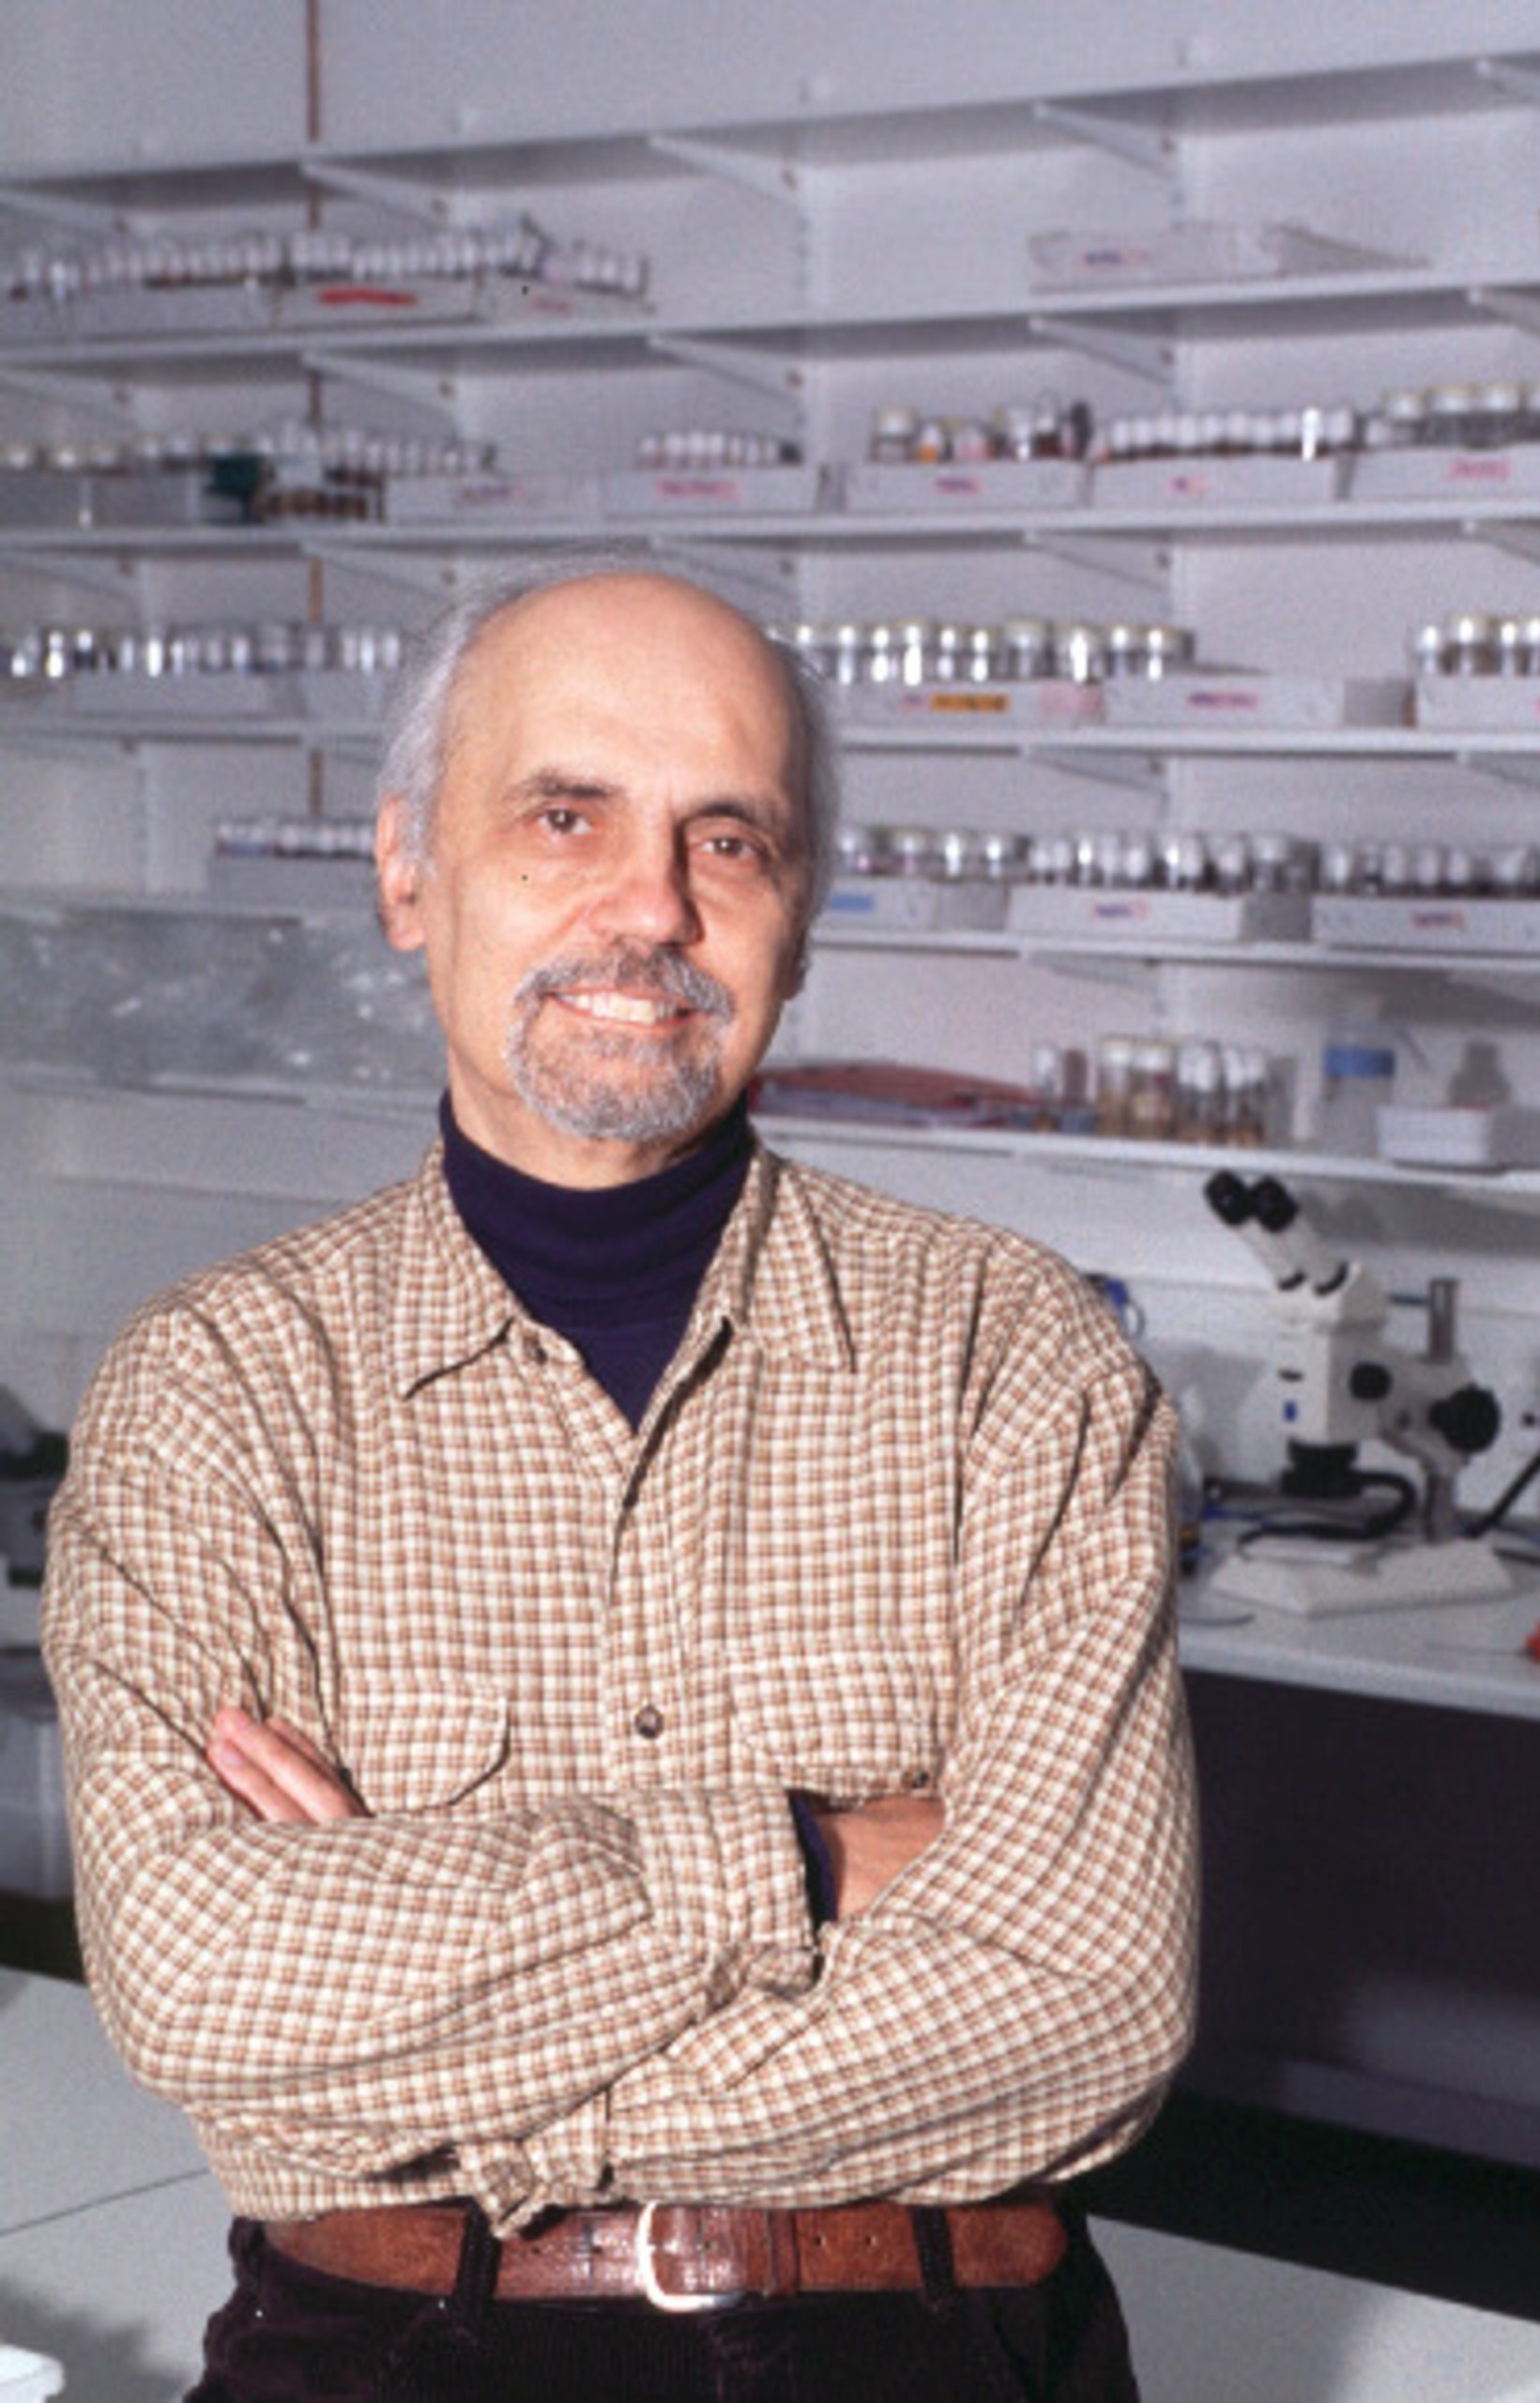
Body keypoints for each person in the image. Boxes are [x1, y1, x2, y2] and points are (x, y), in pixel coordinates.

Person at [42, 560, 1199, 2401]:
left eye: (726, 840)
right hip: (381, 2344)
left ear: (797, 918)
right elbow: (197, 1981)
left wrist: (409, 1982)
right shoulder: (217, 1385)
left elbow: (1090, 2003)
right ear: (410, 870)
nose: (650, 905)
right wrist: (806, 1856)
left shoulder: (1010, 1355)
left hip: (915, 2339)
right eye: (565, 813)